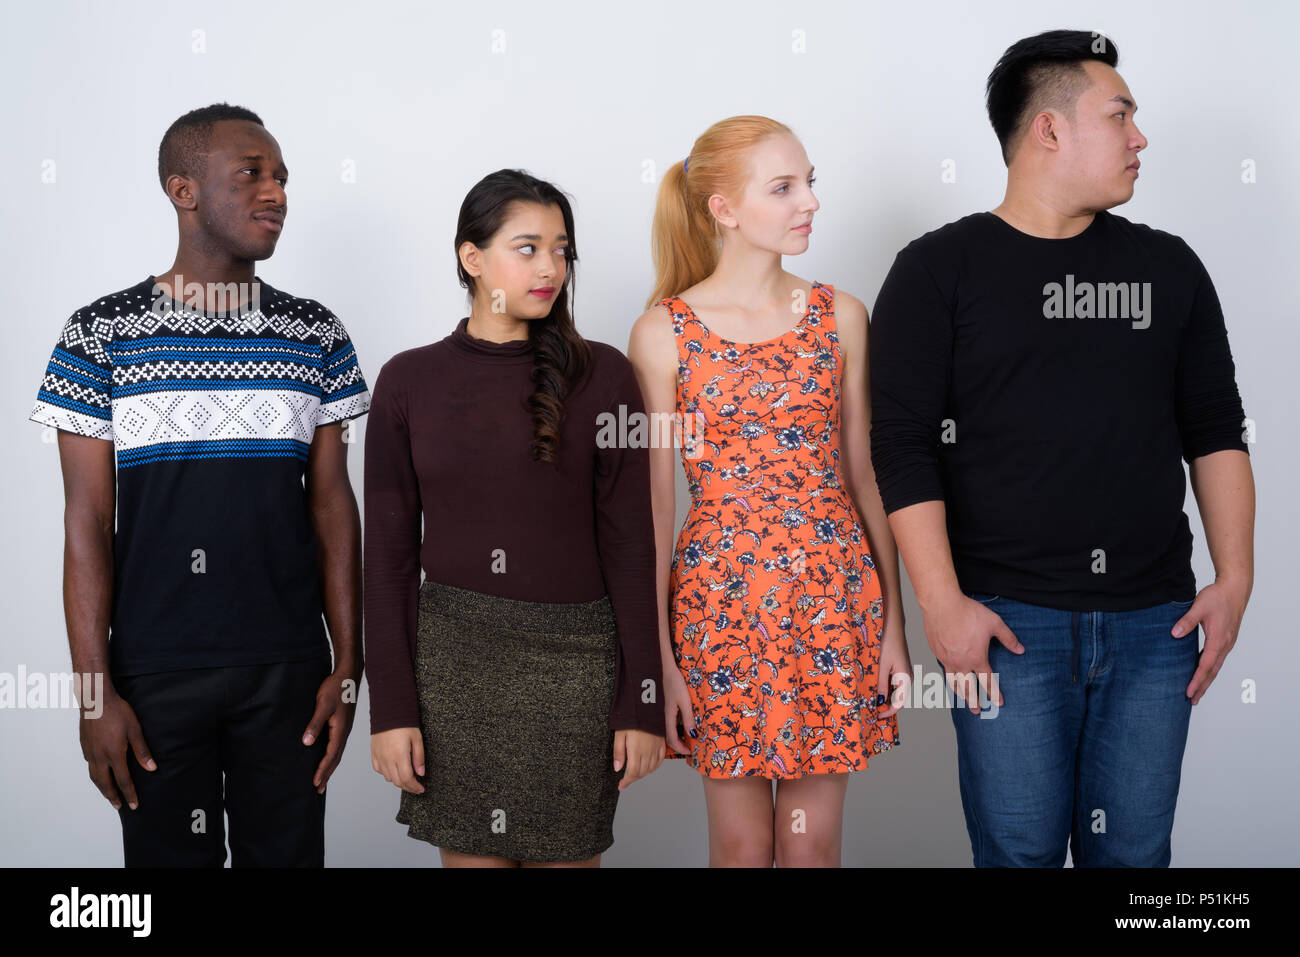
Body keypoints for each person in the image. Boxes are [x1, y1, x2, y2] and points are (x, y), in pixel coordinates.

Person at [869, 30, 1255, 867]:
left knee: (1137, 859)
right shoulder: (938, 270)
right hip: (1008, 627)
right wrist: (941, 605)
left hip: (1157, 625)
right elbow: (900, 447)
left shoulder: (1169, 267)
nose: (1139, 137)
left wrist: (1237, 578)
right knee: (1017, 854)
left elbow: (1217, 429)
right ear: (1048, 131)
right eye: (1120, 115)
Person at [29, 103, 371, 866]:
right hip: (152, 672)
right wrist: (94, 694)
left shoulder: (314, 334)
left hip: (288, 669)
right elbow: (85, 520)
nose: (276, 191)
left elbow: (332, 506)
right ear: (184, 190)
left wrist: (348, 667)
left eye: (282, 176)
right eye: (252, 172)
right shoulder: (99, 334)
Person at [364, 169, 666, 868]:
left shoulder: (605, 375)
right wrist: (393, 709)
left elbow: (631, 545)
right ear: (472, 257)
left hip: (579, 666)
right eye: (527, 247)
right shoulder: (408, 381)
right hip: (454, 663)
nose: (551, 268)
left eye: (562, 250)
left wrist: (641, 699)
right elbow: (386, 559)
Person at [628, 116, 909, 867]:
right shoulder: (662, 333)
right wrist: (660, 653)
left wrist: (894, 626)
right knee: (743, 848)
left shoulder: (840, 316)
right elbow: (655, 505)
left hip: (832, 598)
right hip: (721, 605)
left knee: (812, 849)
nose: (809, 201)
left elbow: (863, 478)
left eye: (811, 181)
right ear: (722, 208)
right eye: (784, 187)